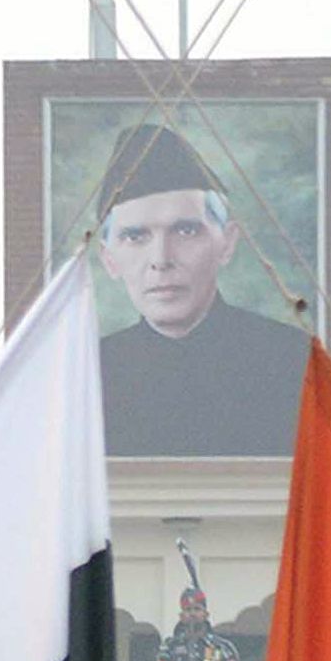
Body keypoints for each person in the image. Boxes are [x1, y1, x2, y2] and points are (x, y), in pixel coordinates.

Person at [90, 121, 309, 458]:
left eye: (186, 231)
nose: (161, 259)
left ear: (227, 242)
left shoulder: (294, 364)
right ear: (109, 259)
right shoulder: (84, 377)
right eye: (136, 237)